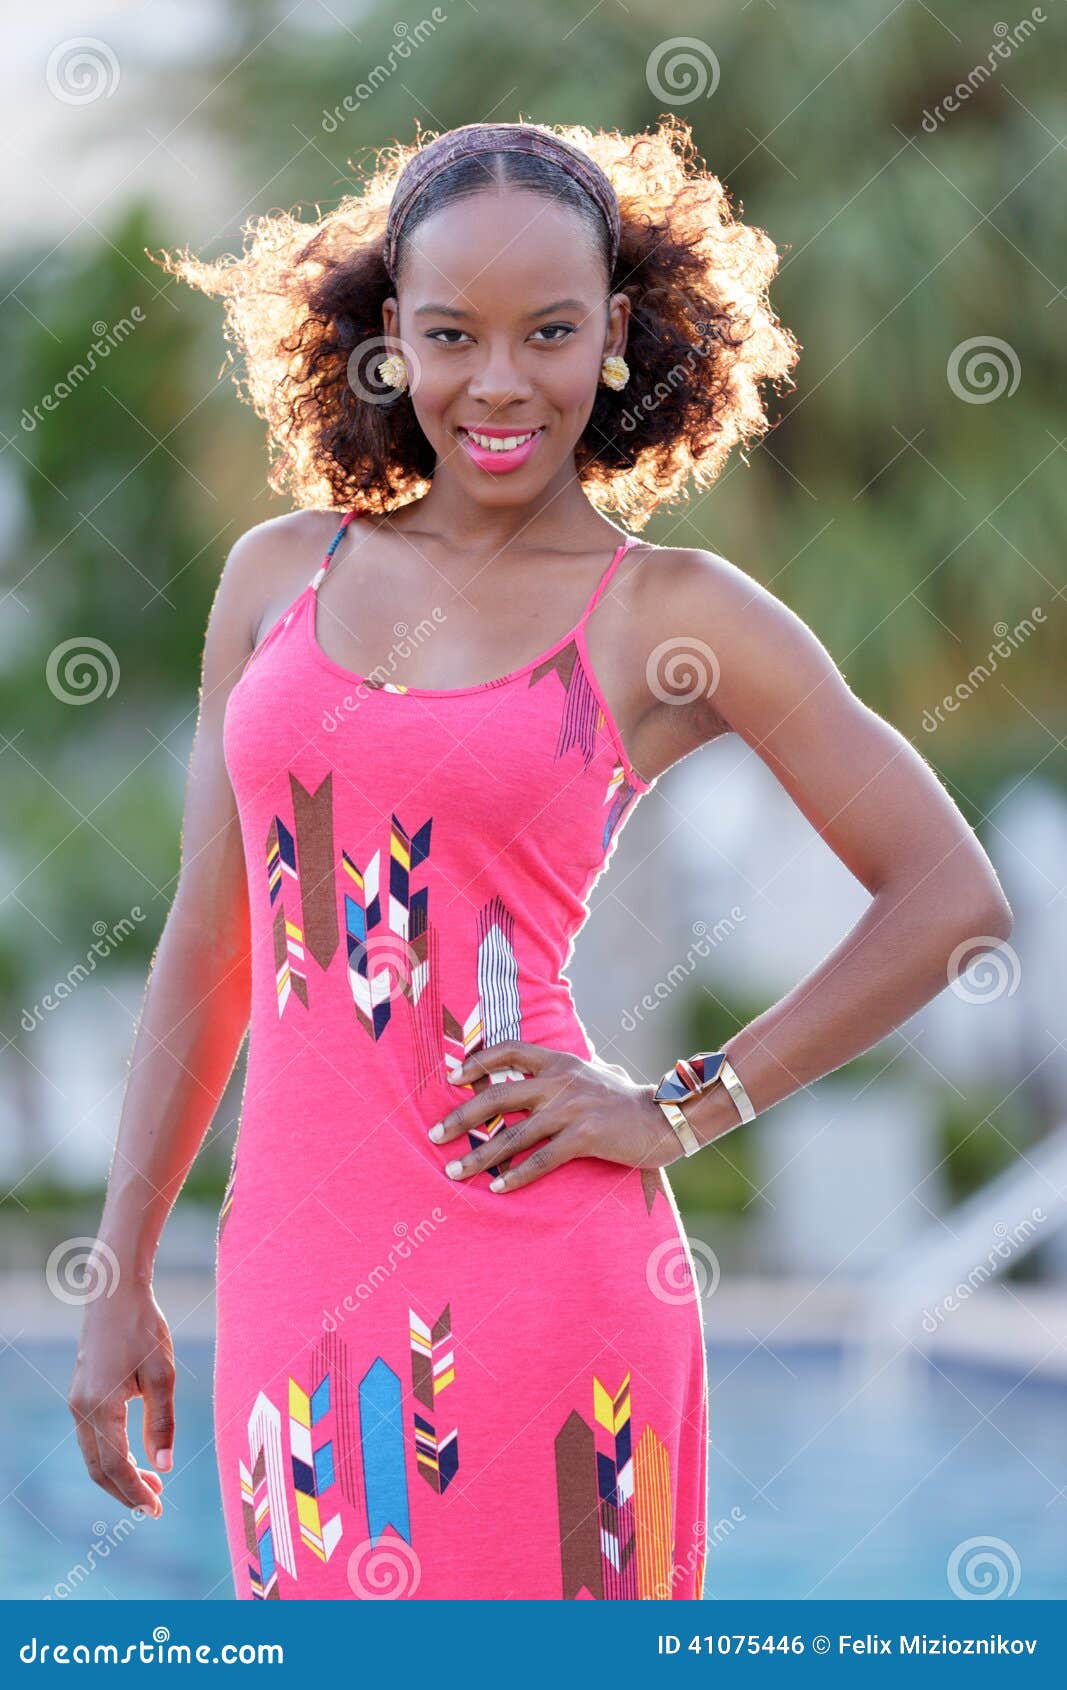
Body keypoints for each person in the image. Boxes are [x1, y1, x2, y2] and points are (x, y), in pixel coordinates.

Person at [68, 118, 1013, 1601]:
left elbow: (951, 898)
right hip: (298, 1277)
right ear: (391, 335)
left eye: (550, 333)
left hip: (549, 1284)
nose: (500, 383)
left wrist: (681, 1108)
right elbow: (213, 937)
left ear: (617, 334)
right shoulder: (277, 576)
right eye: (453, 334)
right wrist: (121, 1265)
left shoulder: (669, 612)